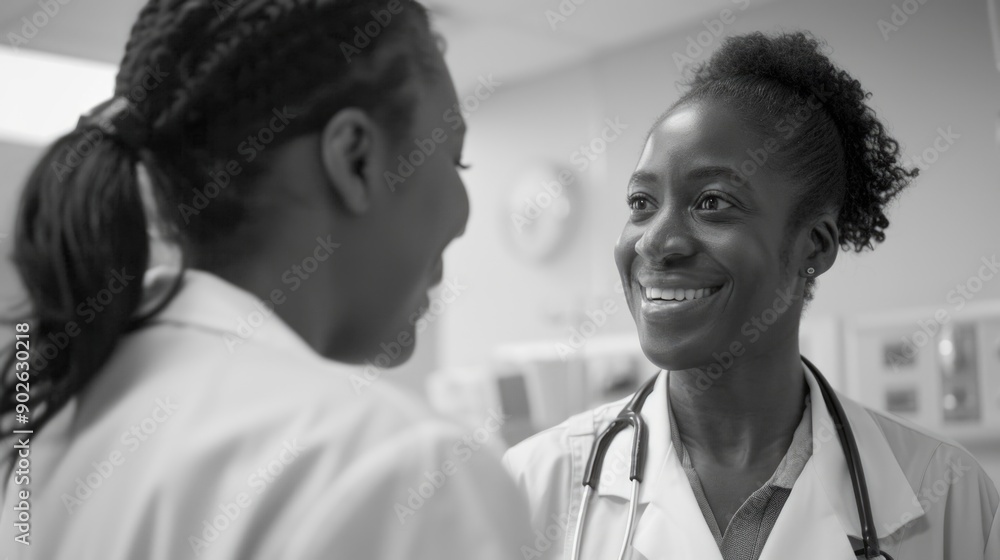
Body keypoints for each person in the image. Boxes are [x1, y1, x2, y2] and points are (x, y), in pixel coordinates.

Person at [0, 1, 530, 558]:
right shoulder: (405, 472)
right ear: (356, 159)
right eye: (455, 159)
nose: (464, 214)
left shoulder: (51, 425)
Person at [504, 32, 999, 560]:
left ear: (816, 243)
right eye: (642, 202)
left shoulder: (948, 493)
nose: (654, 241)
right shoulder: (532, 487)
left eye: (713, 202)